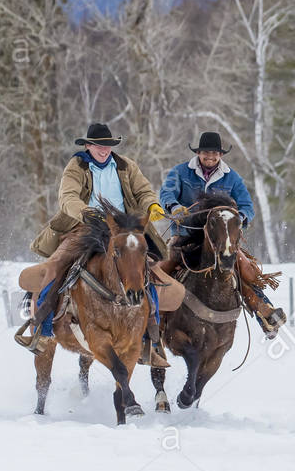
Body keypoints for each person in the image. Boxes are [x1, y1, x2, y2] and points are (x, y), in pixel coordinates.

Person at [15, 122, 176, 367]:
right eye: (99, 146)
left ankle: (150, 339)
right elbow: (67, 197)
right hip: (84, 226)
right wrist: (85, 212)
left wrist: (152, 205)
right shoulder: (77, 166)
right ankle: (43, 330)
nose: (104, 150)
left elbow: (143, 191)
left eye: (108, 145)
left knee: (147, 272)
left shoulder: (125, 165)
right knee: (55, 267)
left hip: (122, 230)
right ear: (88, 146)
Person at [157, 131, 287, 338]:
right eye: (206, 153)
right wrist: (174, 207)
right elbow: (166, 193)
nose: (210, 157)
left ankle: (266, 313)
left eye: (215, 153)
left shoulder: (232, 177)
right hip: (186, 235)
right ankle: (151, 317)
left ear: (221, 155)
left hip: (220, 239)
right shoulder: (180, 172)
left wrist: (239, 218)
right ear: (198, 152)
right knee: (163, 268)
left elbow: (246, 205)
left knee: (243, 266)